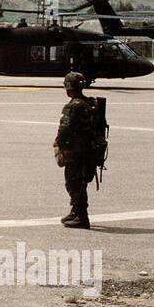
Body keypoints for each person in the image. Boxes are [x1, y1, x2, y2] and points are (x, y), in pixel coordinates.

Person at [53, 71, 102, 228]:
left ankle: (81, 216)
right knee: (80, 182)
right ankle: (76, 211)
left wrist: (58, 142)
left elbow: (65, 128)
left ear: (69, 87)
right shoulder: (90, 103)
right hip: (90, 149)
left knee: (74, 183)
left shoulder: (73, 106)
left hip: (77, 151)